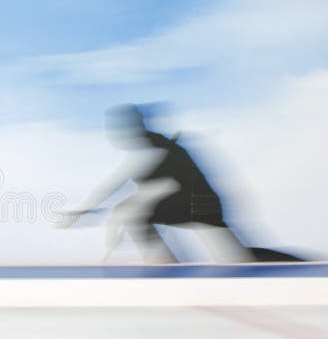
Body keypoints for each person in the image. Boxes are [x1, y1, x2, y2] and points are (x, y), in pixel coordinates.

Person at [61, 104, 301, 263]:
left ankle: (168, 270)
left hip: (199, 205)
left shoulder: (157, 148)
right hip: (189, 203)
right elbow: (135, 186)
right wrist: (94, 209)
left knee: (242, 259)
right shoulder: (153, 147)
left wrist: (92, 209)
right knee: (241, 256)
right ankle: (168, 267)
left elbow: (122, 183)